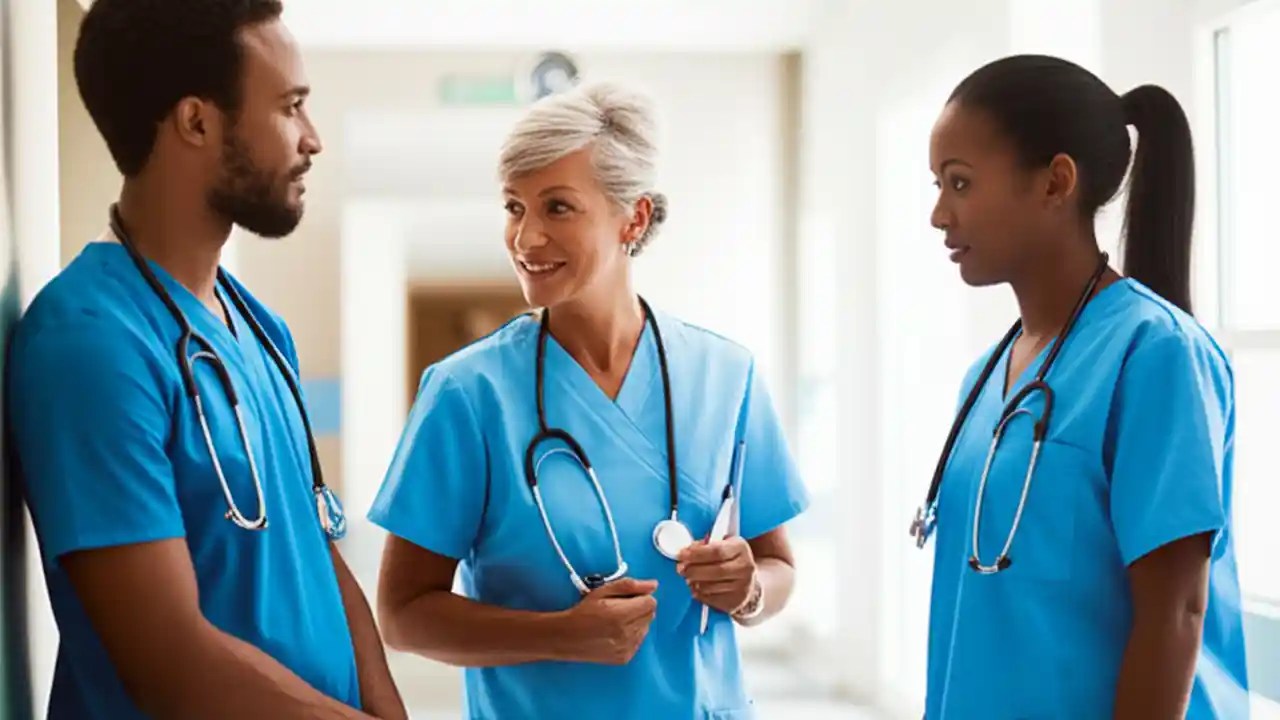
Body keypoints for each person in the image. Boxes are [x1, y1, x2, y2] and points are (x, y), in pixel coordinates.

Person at [6, 1, 406, 718]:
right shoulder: (91, 343)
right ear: (196, 121)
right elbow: (169, 661)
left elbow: (320, 559)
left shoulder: (259, 328)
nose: (312, 138)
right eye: (289, 107)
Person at [369, 81, 810, 718]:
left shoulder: (725, 375)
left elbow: (776, 567)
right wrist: (560, 636)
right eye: (514, 207)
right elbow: (403, 615)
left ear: (635, 217)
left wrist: (748, 592)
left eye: (558, 208)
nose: (525, 238)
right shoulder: (468, 392)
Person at [914, 54, 1249, 718]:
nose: (939, 214)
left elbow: (1177, 612)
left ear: (1055, 182)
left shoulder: (1157, 354)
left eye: (960, 183)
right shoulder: (985, 378)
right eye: (938, 185)